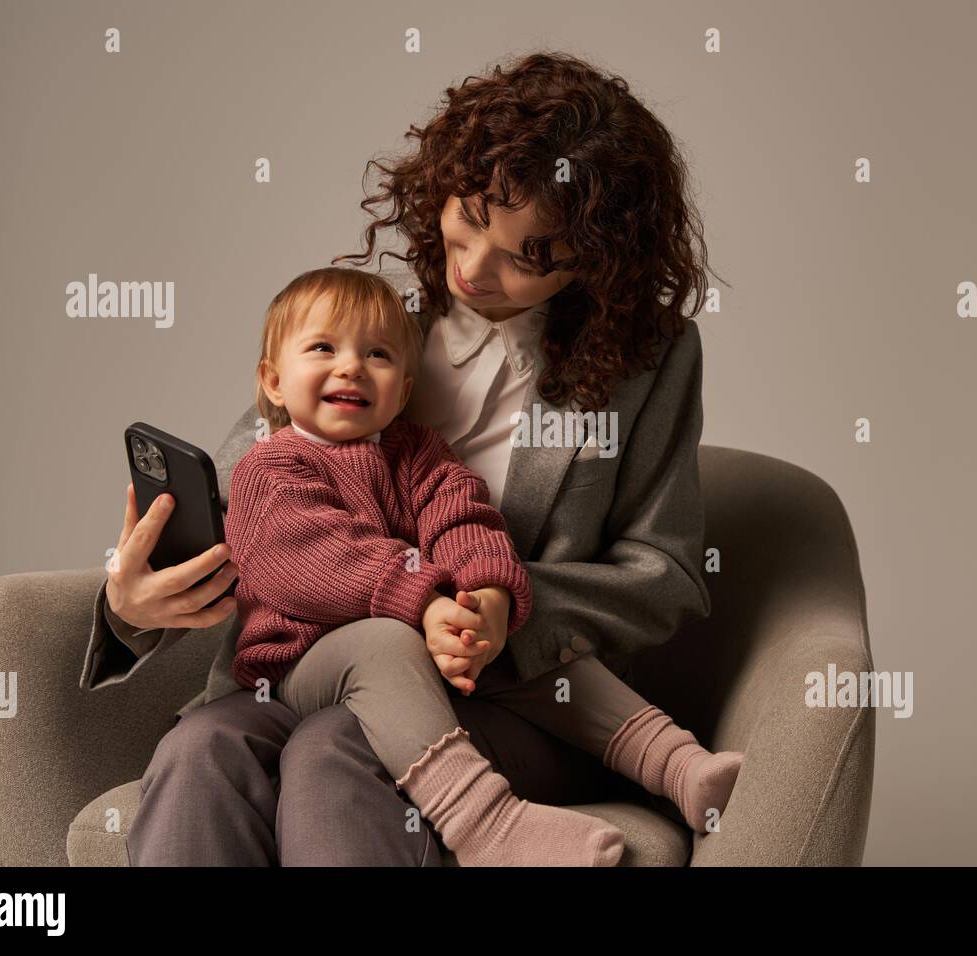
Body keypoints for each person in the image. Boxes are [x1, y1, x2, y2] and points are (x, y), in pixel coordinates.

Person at [78, 50, 721, 865]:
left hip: (506, 700)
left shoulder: (650, 360)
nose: (474, 267)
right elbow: (257, 505)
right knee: (201, 748)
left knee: (332, 752)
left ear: (596, 257)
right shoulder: (369, 322)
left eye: (530, 255)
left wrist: (498, 610)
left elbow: (665, 571)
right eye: (472, 215)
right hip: (299, 666)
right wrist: (131, 606)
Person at [217, 266, 741, 866]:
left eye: (378, 355)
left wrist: (487, 596)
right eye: (323, 349)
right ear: (273, 382)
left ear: (405, 385)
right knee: (385, 642)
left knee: (518, 642)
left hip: (421, 639)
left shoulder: (417, 454)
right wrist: (423, 598)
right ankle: (486, 825)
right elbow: (313, 557)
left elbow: (463, 518)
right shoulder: (269, 470)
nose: (351, 367)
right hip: (307, 660)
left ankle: (678, 765)